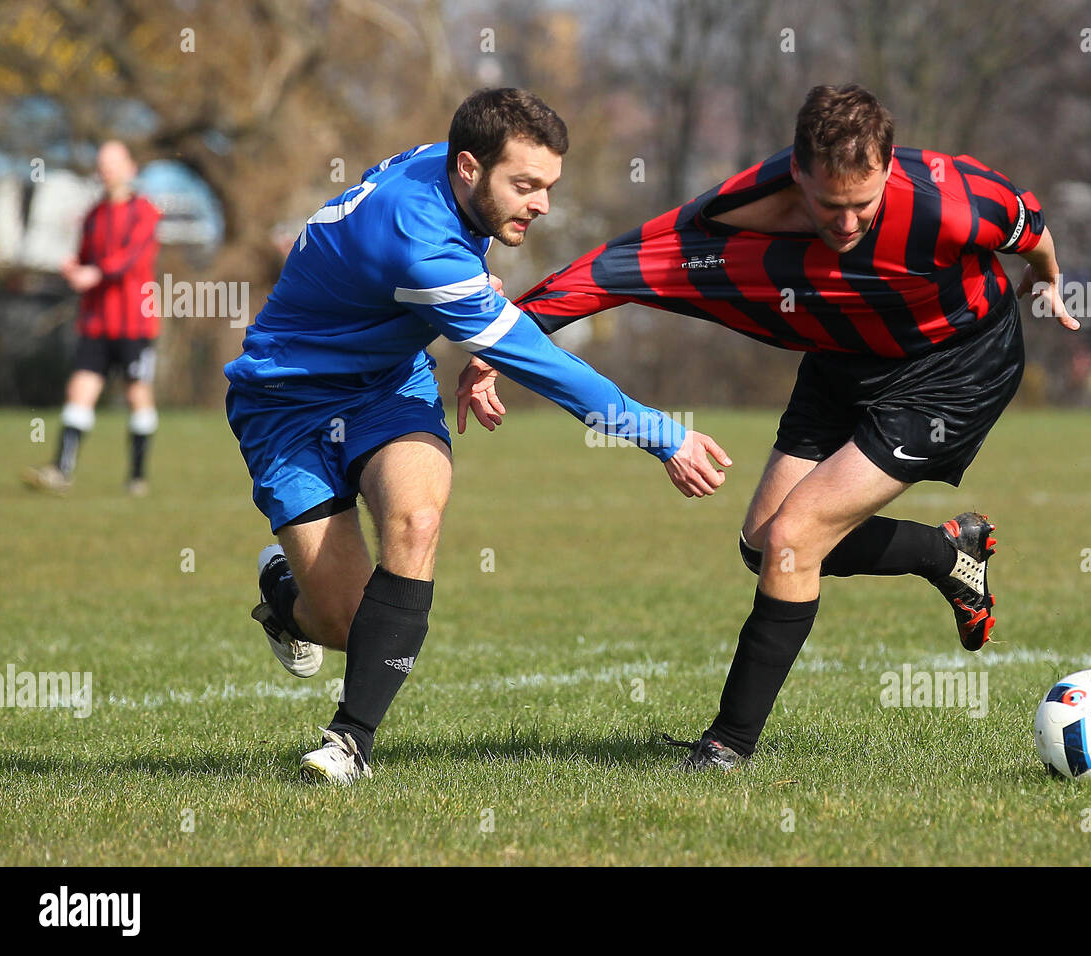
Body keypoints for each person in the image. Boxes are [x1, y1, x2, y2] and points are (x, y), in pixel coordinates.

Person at [458, 84, 1078, 770]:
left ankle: (728, 746)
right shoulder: (742, 210)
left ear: (890, 168)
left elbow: (1032, 229)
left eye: (862, 206)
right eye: (828, 205)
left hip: (954, 373)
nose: (844, 224)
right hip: (842, 357)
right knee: (765, 546)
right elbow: (618, 267)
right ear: (798, 174)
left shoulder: (950, 199)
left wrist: (1047, 279)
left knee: (796, 536)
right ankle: (947, 554)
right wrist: (500, 344)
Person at [224, 88, 729, 785]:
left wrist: (475, 319)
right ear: (468, 166)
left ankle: (350, 744)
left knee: (417, 517)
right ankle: (285, 597)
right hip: (285, 405)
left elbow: (437, 276)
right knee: (346, 626)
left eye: (549, 186)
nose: (542, 204)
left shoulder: (447, 179)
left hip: (387, 388)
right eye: (525, 186)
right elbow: (544, 364)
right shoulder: (418, 243)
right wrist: (662, 435)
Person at [23, 140, 161, 496]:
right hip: (97, 322)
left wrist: (95, 273)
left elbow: (131, 258)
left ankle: (137, 476)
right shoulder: (93, 215)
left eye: (113, 163)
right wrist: (74, 267)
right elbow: (84, 258)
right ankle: (61, 470)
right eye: (102, 164)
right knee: (79, 391)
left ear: (130, 168)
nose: (107, 170)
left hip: (134, 323)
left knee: (136, 395)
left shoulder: (145, 211)